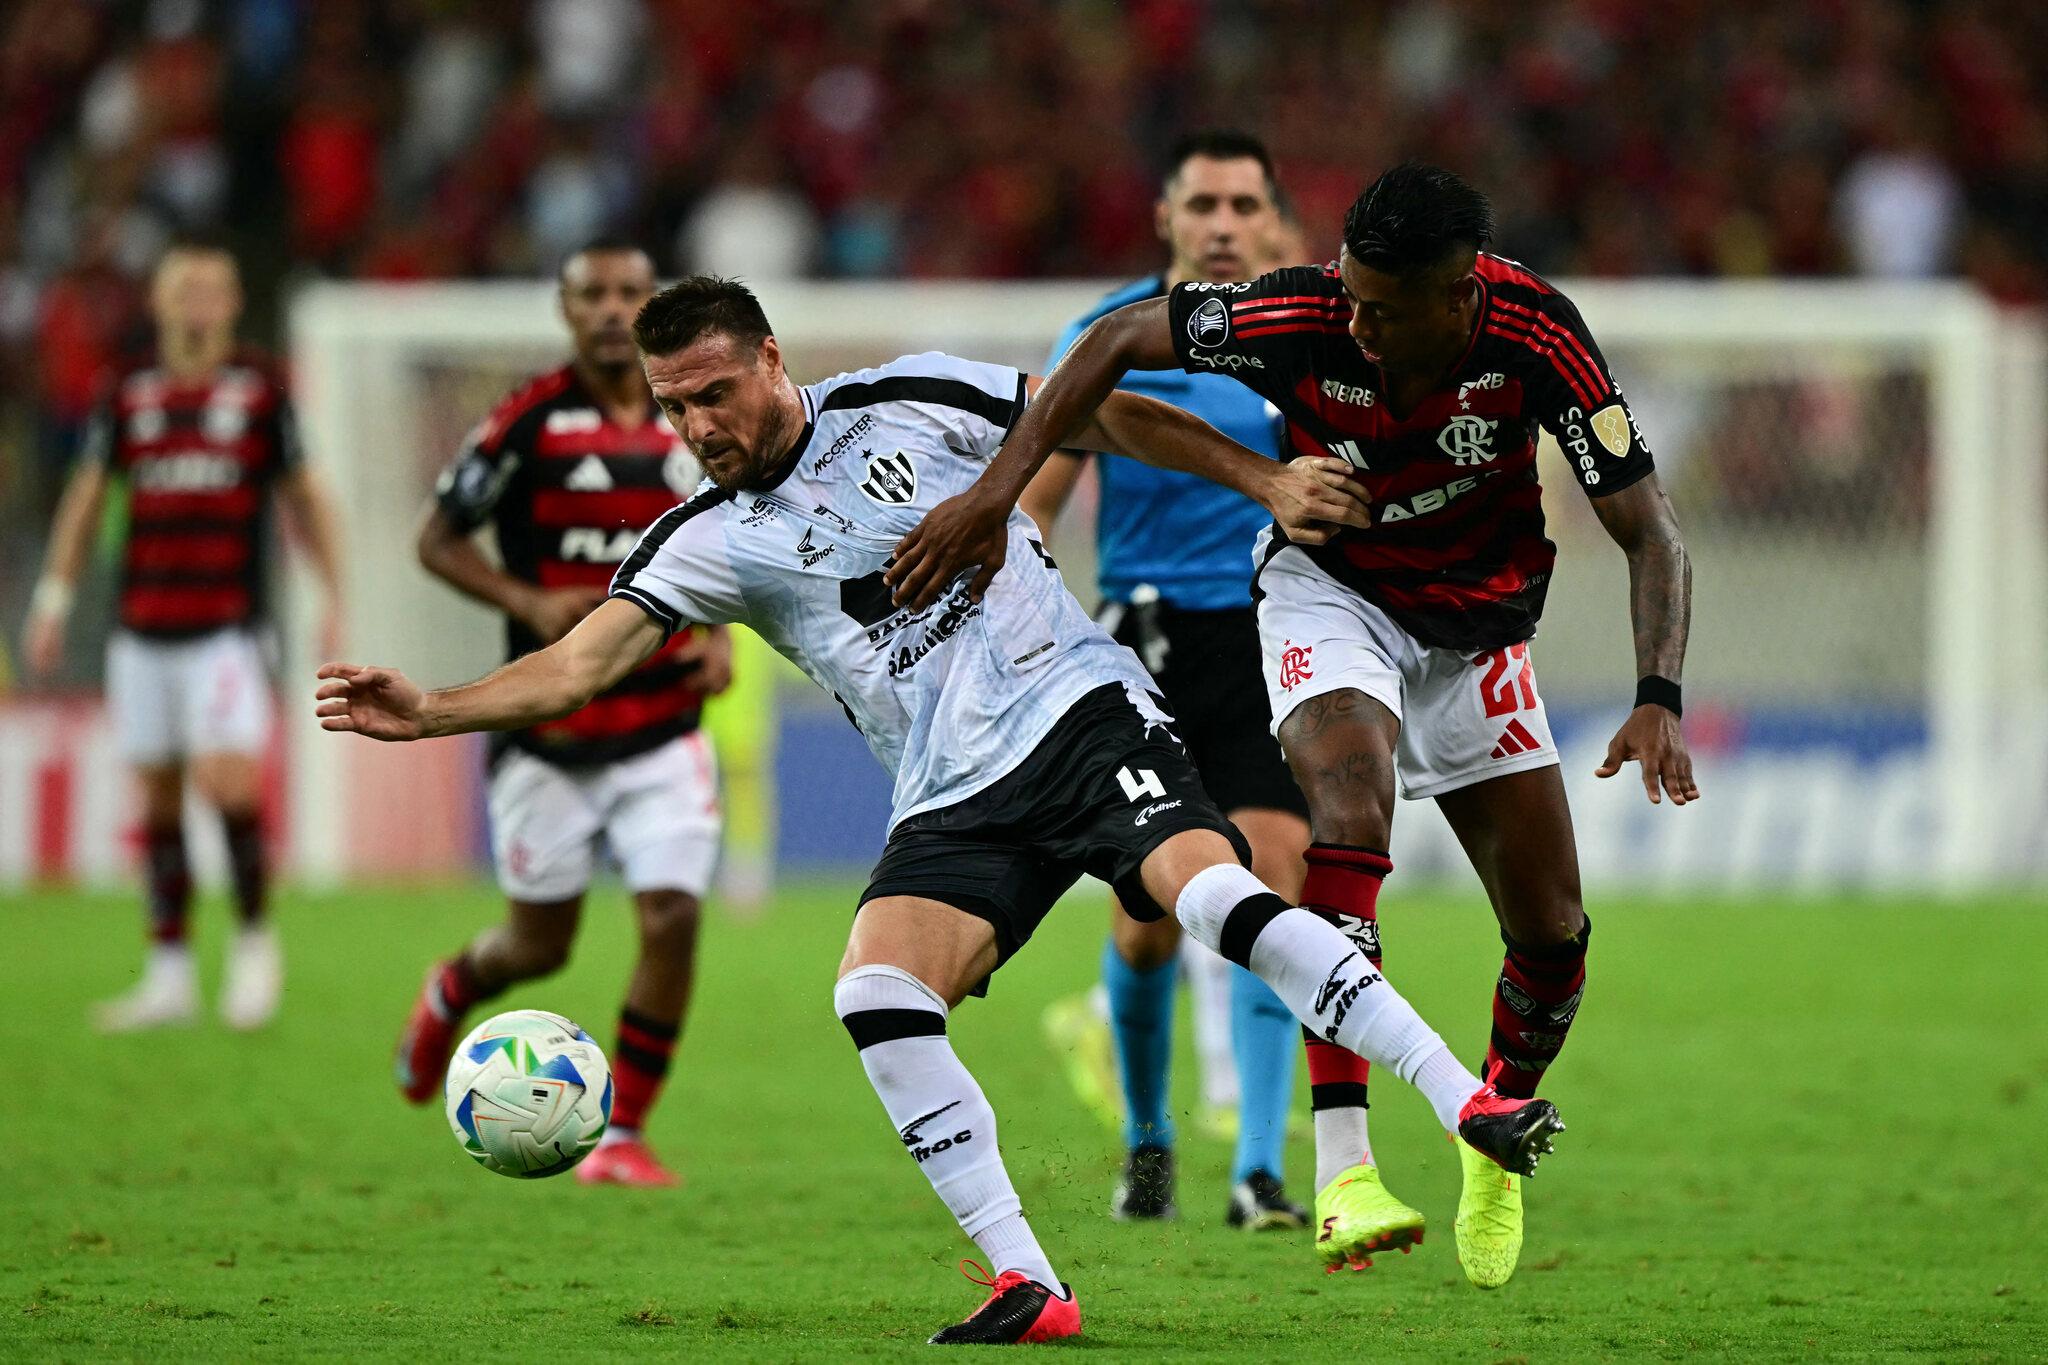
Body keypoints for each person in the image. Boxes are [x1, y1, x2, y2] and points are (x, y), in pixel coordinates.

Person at [314, 276, 1567, 1345]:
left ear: (769, 361)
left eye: (715, 393)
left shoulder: (907, 396)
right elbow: (580, 663)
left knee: (1217, 898)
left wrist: (1256, 478)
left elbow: (1106, 417)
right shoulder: (703, 538)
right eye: (675, 406)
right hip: (950, 794)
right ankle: (1029, 1278)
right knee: (874, 993)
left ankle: (1463, 1099)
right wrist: (427, 707)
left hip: (1076, 713)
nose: (697, 425)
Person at [885, 162, 1698, 1289]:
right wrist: (993, 497)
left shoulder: (1538, 335)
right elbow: (1118, 338)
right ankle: (1338, 1169)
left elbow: (1650, 533)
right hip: (1330, 592)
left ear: (1459, 294)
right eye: (1348, 296)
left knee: (1552, 939)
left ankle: (1494, 1131)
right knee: (1335, 816)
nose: (1352, 321)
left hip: (1476, 635)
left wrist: (1656, 695)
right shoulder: (1299, 311)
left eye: (1379, 306)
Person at [393, 240, 731, 1190]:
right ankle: (453, 986)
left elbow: (737, 538)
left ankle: (623, 1131)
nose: (612, 310)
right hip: (548, 737)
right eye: (593, 295)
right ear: (565, 309)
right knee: (540, 944)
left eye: (629, 293)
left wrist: (717, 636)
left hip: (663, 728)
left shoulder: (694, 420)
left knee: (670, 916)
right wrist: (524, 600)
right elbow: (435, 537)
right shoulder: (526, 423)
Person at [1023, 130, 1311, 1230]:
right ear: (1166, 217)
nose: (1223, 224)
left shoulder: (1304, 332)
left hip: (1264, 631)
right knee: (1148, 918)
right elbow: (1037, 495)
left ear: (1275, 220)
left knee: (1273, 874)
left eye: (1244, 203)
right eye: (1204, 204)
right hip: (1139, 641)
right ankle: (1148, 1145)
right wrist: (1035, 606)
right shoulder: (1108, 335)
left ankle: (1255, 1171)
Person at [22, 239, 345, 1033]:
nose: (199, 303)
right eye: (184, 289)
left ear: (233, 304)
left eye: (213, 289)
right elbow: (87, 498)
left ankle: (253, 945)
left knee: (227, 784)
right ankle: (168, 970)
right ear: (160, 303)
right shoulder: (127, 394)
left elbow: (308, 498)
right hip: (142, 632)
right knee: (160, 800)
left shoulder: (261, 395)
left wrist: (332, 593)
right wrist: (53, 599)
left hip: (226, 633)